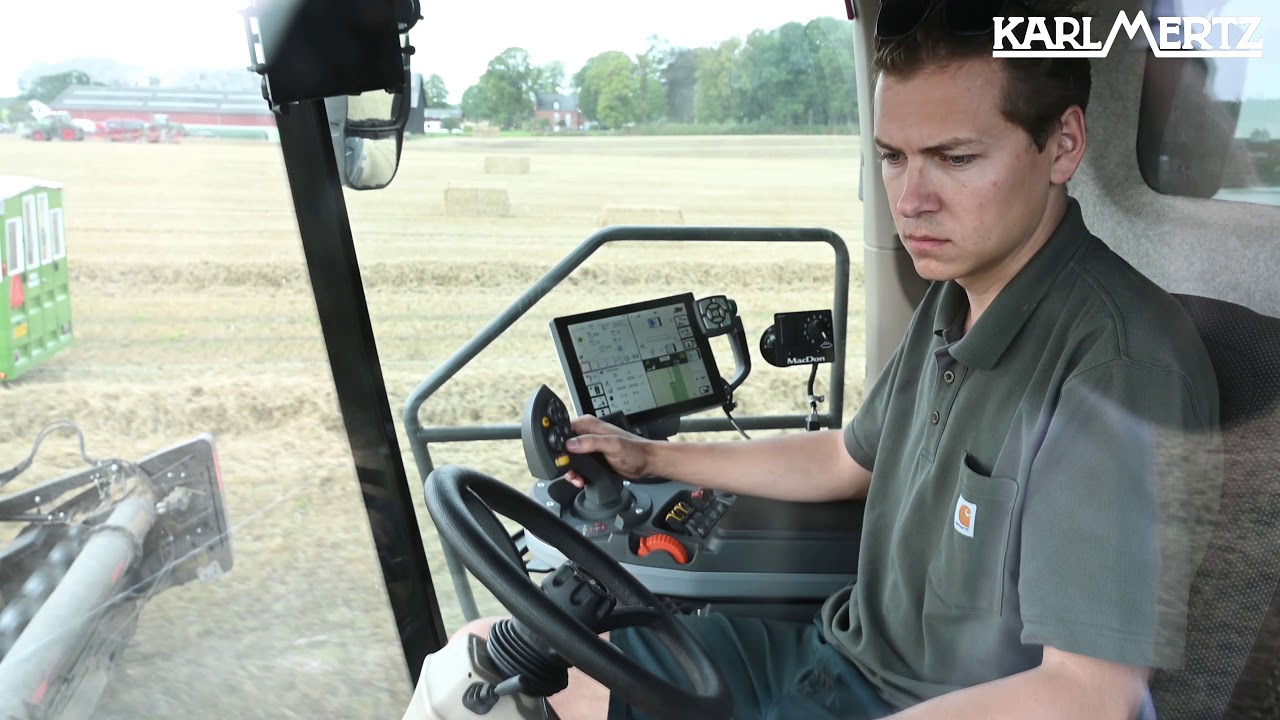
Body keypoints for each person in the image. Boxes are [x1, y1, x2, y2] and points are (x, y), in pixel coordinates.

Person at [454, 1, 1223, 718]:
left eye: (954, 158)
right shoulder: (955, 296)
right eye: (892, 157)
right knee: (487, 662)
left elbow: (1090, 693)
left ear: (1063, 145)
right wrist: (654, 459)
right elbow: (842, 460)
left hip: (913, 704)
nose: (911, 199)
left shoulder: (1120, 363)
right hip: (835, 660)